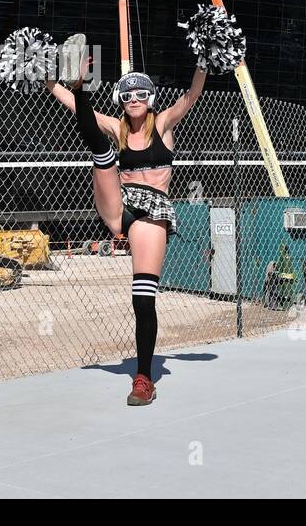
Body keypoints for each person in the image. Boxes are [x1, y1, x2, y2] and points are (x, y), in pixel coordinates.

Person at [47, 35, 206, 405]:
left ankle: (143, 378)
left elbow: (192, 96)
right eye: (128, 95)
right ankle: (80, 84)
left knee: (143, 298)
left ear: (149, 98)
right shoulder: (118, 127)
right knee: (102, 148)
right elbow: (74, 109)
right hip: (118, 204)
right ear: (121, 99)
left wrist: (203, 59)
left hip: (153, 210)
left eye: (140, 94)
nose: (134, 100)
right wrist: (53, 83)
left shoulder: (164, 123)